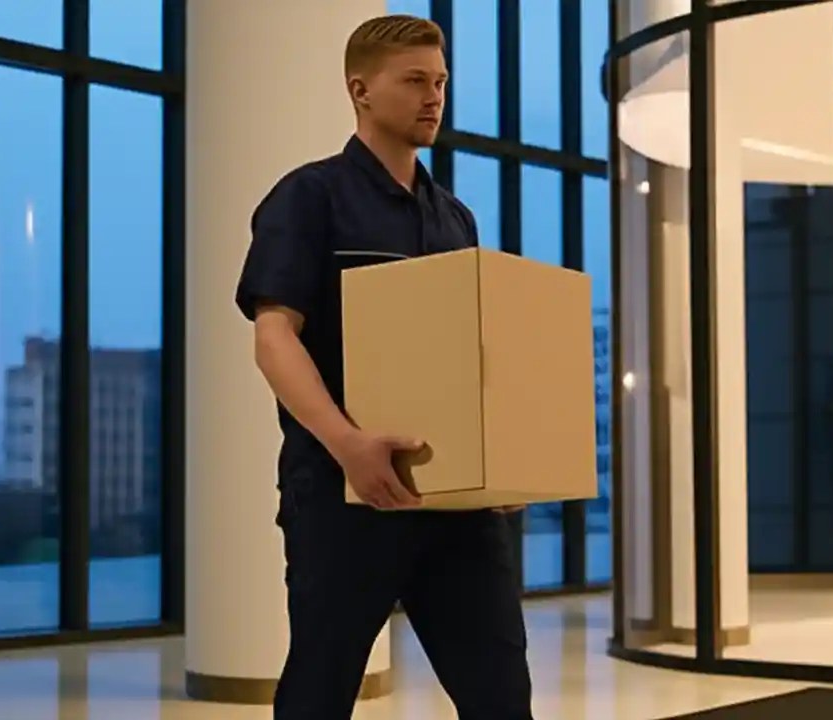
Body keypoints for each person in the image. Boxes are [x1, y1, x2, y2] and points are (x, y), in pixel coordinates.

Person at [235, 13, 536, 720]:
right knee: (320, 690)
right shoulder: (308, 197)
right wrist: (348, 445)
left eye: (441, 82)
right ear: (360, 90)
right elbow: (274, 337)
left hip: (455, 502)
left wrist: (503, 462)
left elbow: (471, 356)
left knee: (500, 696)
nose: (434, 97)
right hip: (342, 495)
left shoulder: (455, 219)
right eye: (414, 81)